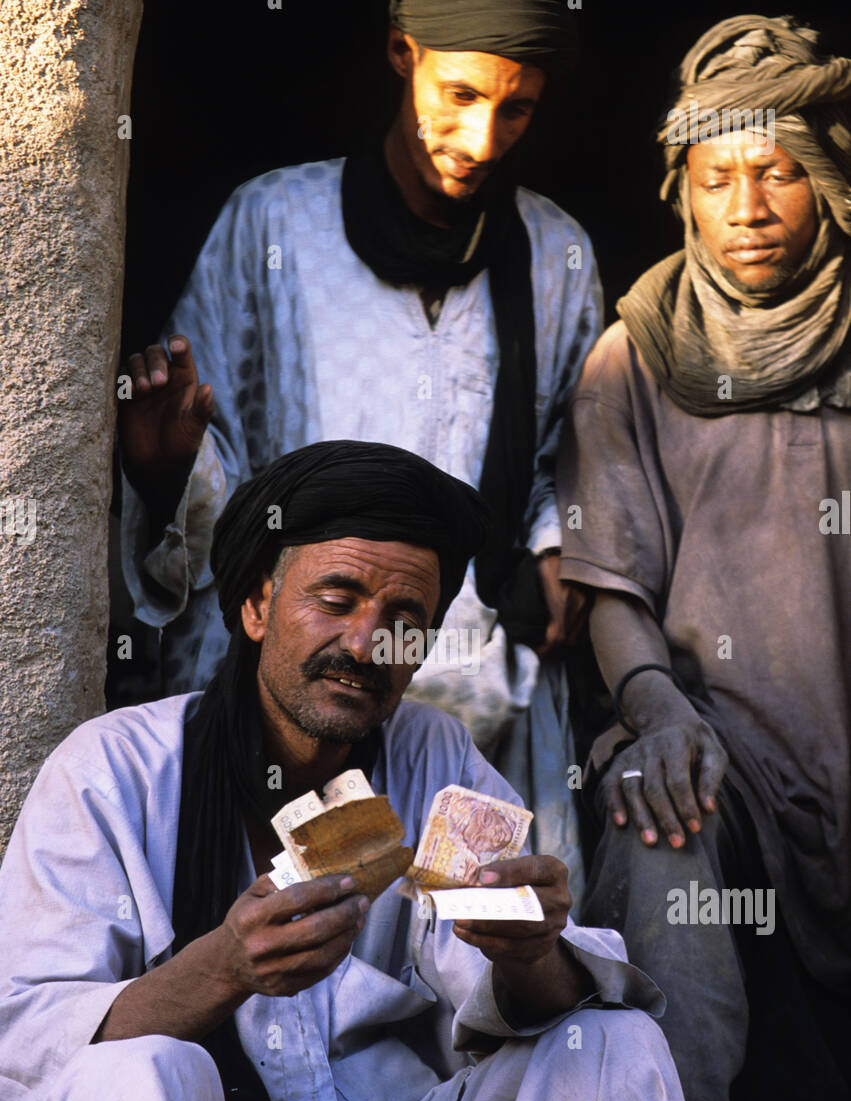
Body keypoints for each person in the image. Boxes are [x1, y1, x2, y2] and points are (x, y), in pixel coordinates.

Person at [0, 441, 717, 1101]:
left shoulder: (434, 760)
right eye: (335, 600)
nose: (367, 642)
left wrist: (534, 950)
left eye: (404, 616)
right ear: (257, 604)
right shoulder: (111, 772)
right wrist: (220, 971)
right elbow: (24, 1043)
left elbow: (527, 987)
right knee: (134, 1079)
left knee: (609, 1041)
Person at [118, 0, 603, 904]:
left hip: (480, 674)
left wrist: (552, 540)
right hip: (293, 667)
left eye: (518, 108)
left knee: (466, 944)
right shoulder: (272, 223)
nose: (482, 136)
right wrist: (167, 470)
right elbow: (217, 447)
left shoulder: (554, 252)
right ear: (399, 53)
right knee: (284, 937)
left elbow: (563, 455)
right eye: (457, 93)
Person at [556, 15, 851, 1101]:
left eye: (775, 169)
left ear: (828, 180)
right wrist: (655, 707)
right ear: (677, 185)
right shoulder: (634, 356)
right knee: (657, 840)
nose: (746, 206)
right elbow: (608, 584)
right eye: (714, 175)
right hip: (718, 749)